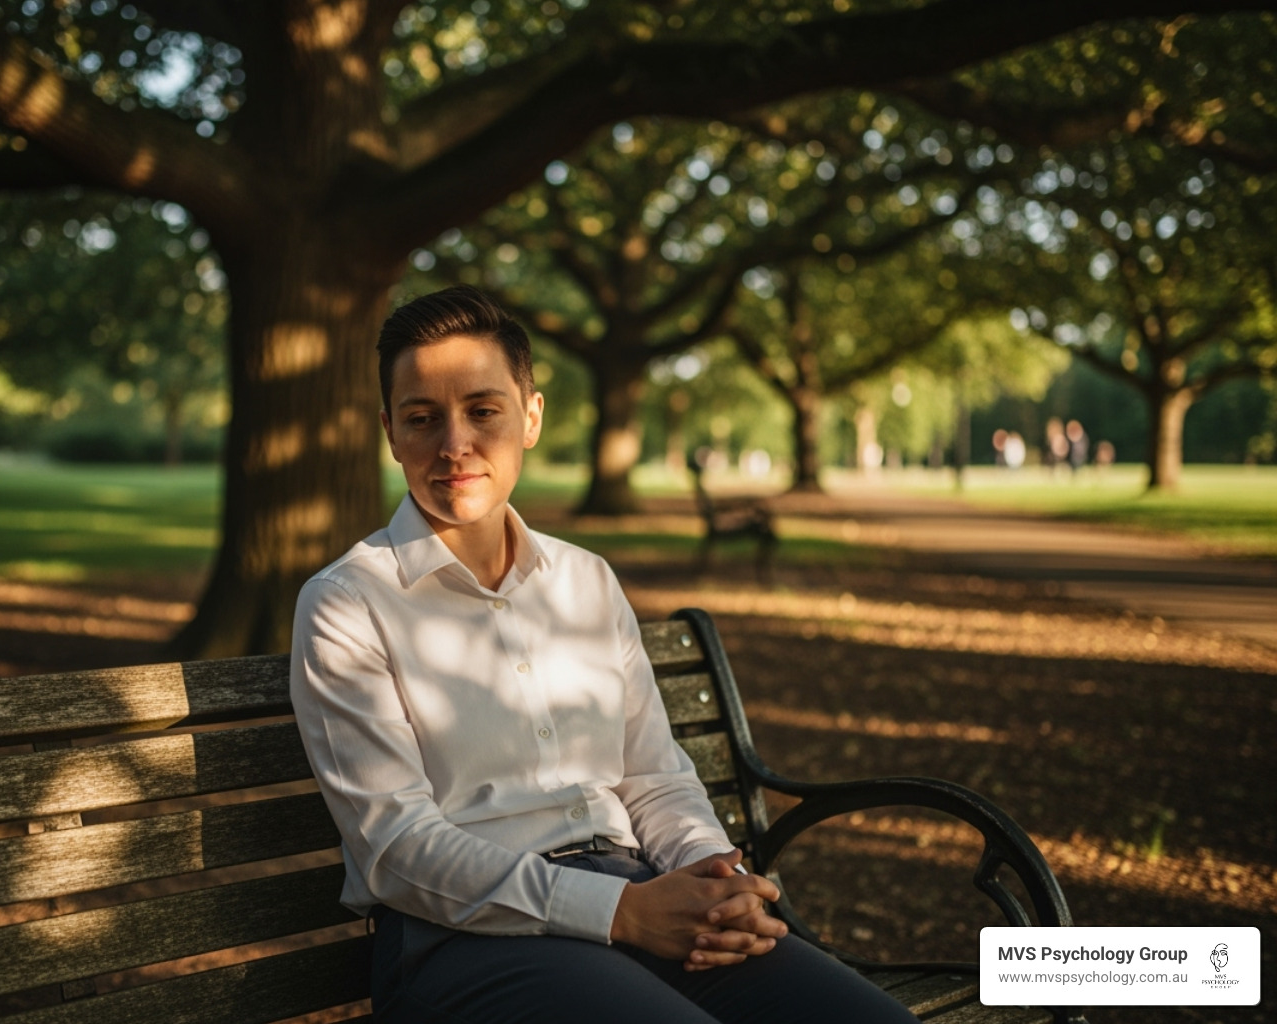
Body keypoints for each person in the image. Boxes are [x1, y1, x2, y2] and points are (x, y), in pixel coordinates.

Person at [290, 286, 920, 1024]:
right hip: (461, 939)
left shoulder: (585, 580)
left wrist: (716, 880)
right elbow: (398, 849)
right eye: (422, 418)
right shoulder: (347, 603)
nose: (453, 445)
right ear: (391, 432)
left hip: (640, 893)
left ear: (530, 417)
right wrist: (619, 911)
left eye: (482, 411)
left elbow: (654, 777)